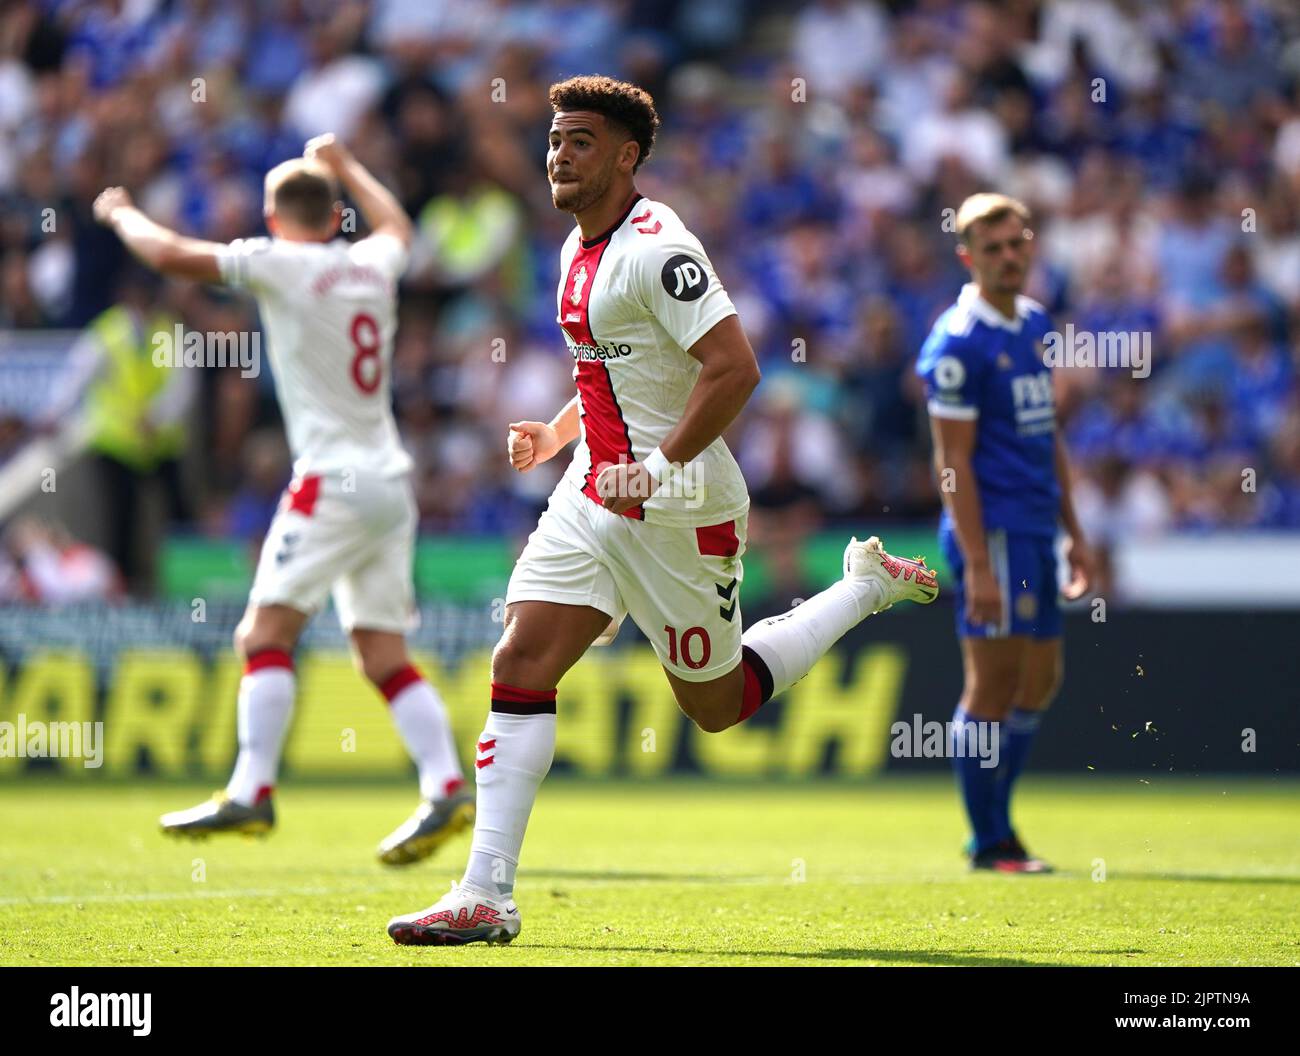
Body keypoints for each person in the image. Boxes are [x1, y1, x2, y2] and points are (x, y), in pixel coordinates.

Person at [386, 76, 938, 946]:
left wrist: (657, 469)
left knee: (715, 705)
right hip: (591, 492)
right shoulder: (574, 250)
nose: (559, 155)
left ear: (626, 155)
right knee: (521, 656)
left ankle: (862, 588)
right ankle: (485, 892)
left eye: (580, 142)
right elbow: (616, 370)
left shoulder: (660, 248)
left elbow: (734, 368)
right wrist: (559, 438)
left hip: (681, 504)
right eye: (556, 139)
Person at [93, 135, 471, 865]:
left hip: (331, 479)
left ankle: (251, 789)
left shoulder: (281, 262)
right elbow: (399, 229)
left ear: (273, 215)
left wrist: (119, 213)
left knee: (262, 637)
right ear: (335, 217)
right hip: (392, 481)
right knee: (382, 652)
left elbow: (171, 255)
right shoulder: (367, 264)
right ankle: (445, 783)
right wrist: (351, 165)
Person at [916, 193, 1094, 873]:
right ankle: (990, 839)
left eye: (1018, 243)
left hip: (1036, 530)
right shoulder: (958, 342)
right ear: (968, 257)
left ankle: (996, 826)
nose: (1010, 256)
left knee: (1040, 681)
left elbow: (1047, 436)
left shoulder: (1036, 324)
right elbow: (951, 461)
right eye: (993, 248)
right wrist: (979, 565)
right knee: (991, 688)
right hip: (993, 535)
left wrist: (1074, 532)